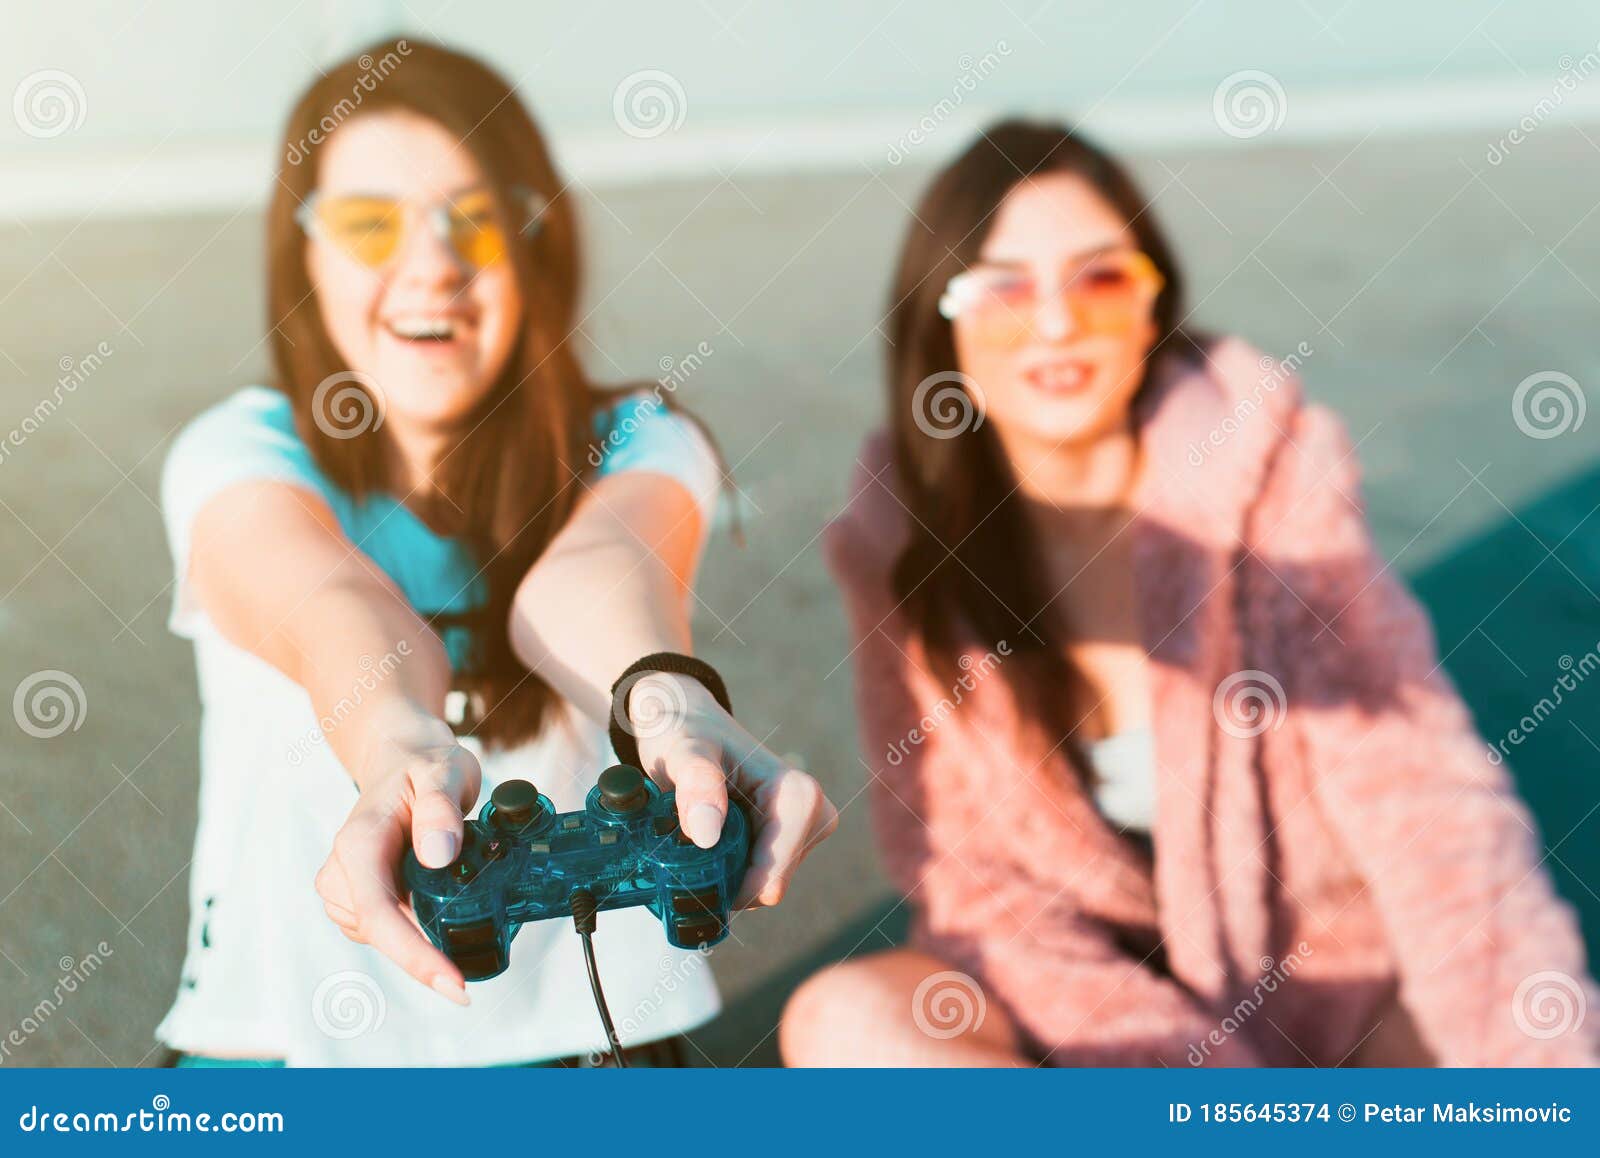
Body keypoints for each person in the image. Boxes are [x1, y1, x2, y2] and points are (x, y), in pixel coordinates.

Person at [781, 120, 1597, 1067]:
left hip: (1319, 990)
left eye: (1100, 279)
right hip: (1074, 1010)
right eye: (1004, 288)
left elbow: (1421, 793)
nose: (1056, 324)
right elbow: (972, 882)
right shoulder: (898, 541)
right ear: (942, 322)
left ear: (1151, 302)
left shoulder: (1269, 480)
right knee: (845, 1024)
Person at [156, 39, 836, 1067]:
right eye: (369, 222)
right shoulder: (238, 452)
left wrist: (665, 699)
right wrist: (396, 744)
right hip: (279, 1038)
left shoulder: (641, 438)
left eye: (476, 218)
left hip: (588, 1038)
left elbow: (595, 574)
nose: (433, 262)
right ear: (305, 254)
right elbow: (327, 603)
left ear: (535, 244)